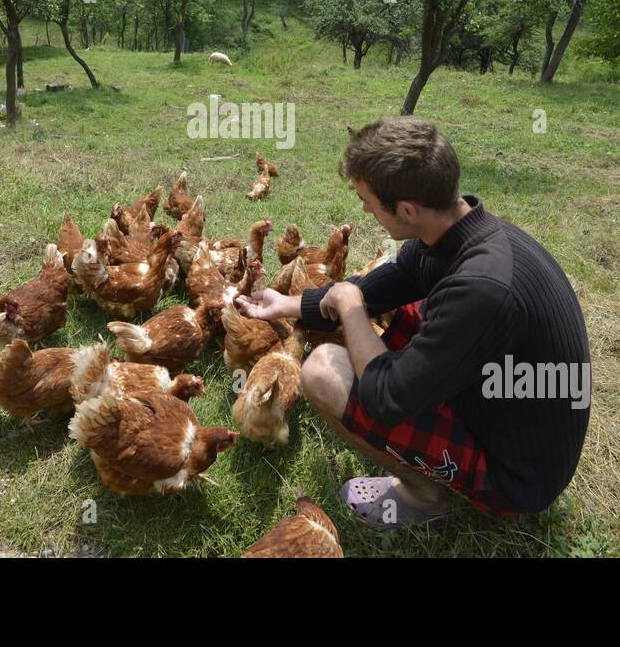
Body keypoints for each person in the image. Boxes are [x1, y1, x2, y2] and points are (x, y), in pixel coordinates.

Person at [238, 116, 590, 528]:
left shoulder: (481, 289)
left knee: (322, 371)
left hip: (517, 473)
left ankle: (424, 498)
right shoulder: (462, 232)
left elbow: (386, 399)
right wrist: (289, 305)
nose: (365, 208)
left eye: (367, 200)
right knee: (404, 307)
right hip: (509, 406)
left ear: (406, 209)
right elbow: (389, 283)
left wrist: (350, 308)